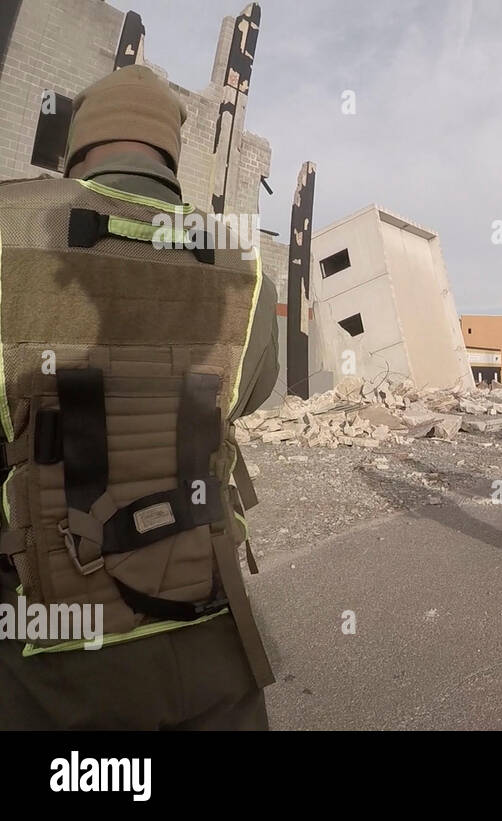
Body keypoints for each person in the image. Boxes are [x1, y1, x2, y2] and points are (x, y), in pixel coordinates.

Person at [0, 65, 279, 729]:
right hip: (212, 637)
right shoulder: (243, 268)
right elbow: (246, 396)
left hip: (54, 666)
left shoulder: (12, 231)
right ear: (168, 154)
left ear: (80, 145)